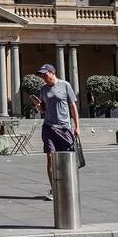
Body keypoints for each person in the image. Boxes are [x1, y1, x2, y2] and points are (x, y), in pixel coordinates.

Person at [29, 63, 81, 202]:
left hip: (64, 127)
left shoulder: (65, 85)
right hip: (48, 127)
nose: (44, 78)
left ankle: (68, 186)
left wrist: (77, 126)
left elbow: (73, 106)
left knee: (67, 160)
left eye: (45, 75)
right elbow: (44, 110)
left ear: (53, 72)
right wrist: (38, 105)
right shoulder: (44, 89)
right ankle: (54, 189)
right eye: (42, 76)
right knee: (50, 158)